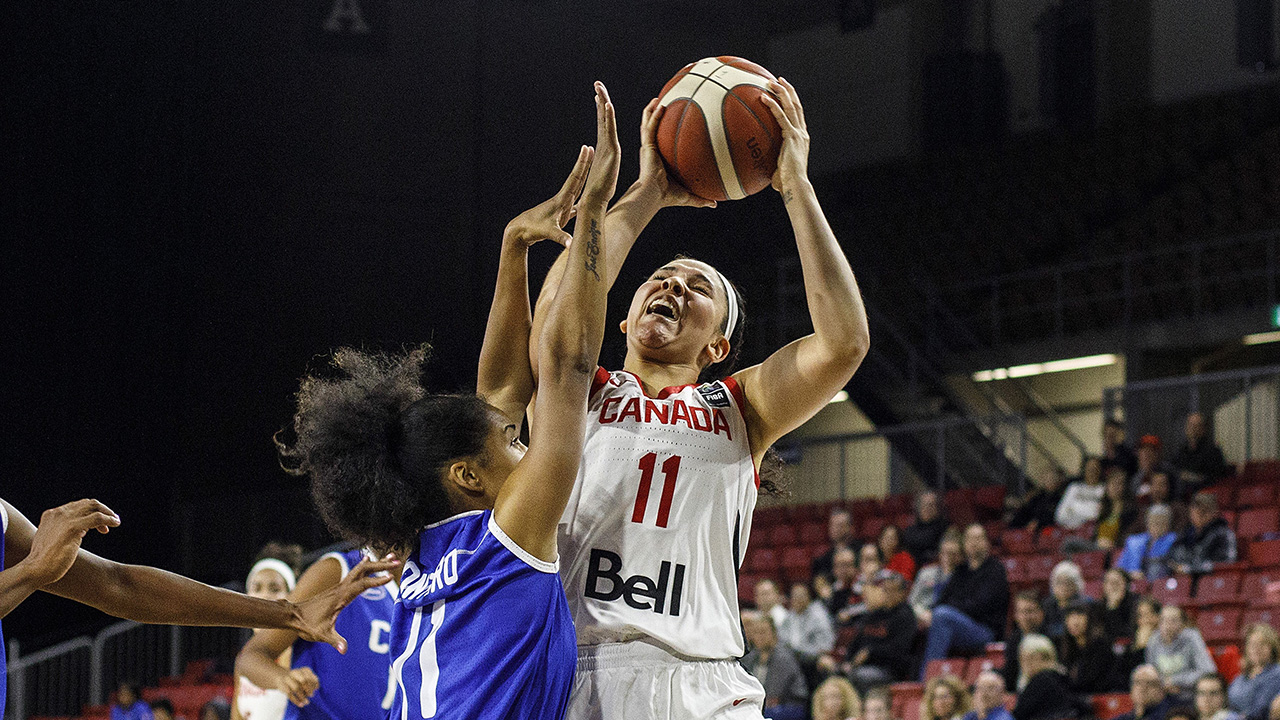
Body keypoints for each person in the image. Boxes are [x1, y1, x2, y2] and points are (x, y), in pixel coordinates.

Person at [527, 76, 869, 719]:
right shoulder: (578, 391)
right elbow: (555, 324)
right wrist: (648, 192)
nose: (676, 288)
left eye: (698, 289)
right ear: (623, 319)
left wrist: (796, 188)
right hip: (581, 672)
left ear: (718, 345)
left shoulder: (742, 409)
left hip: (704, 680)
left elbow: (845, 343)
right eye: (662, 278)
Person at [277, 82, 620, 719]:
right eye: (512, 444)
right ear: (466, 475)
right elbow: (568, 369)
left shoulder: (420, 554)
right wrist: (595, 213)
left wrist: (514, 249)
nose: (523, 444)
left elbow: (496, 395)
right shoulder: (505, 540)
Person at [0, 499, 392, 719]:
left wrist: (290, 614)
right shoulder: (336, 571)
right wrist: (33, 572)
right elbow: (250, 663)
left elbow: (119, 584)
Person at [235, 548, 400, 717]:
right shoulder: (339, 569)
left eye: (274, 589)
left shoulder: (418, 585)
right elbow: (252, 654)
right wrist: (282, 678)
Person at [919, 524, 1009, 678]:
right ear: (964, 544)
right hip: (957, 626)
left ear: (987, 543)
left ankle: (927, 680)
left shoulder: (995, 570)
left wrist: (942, 611)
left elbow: (978, 606)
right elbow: (943, 599)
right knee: (926, 620)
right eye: (969, 539)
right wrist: (928, 613)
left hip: (985, 630)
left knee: (941, 616)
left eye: (978, 538)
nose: (973, 543)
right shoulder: (961, 570)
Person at [233, 544, 302, 720]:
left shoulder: (304, 653)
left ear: (291, 596)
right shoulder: (243, 659)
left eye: (274, 589)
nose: (264, 597)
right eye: (257, 588)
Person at [820, 569, 917, 692]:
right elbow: (856, 641)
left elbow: (899, 650)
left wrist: (871, 653)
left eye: (892, 591)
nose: (888, 594)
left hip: (889, 671)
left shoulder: (905, 616)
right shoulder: (874, 614)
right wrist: (847, 662)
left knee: (857, 676)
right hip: (862, 666)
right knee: (831, 673)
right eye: (885, 590)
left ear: (903, 594)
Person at [742, 612, 809, 720]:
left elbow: (774, 695)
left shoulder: (783, 657)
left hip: (789, 708)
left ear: (774, 633)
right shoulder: (750, 658)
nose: (759, 637)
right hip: (764, 706)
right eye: (756, 632)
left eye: (763, 632)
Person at [1012, 634, 1085, 720]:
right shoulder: (1062, 676)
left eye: (1029, 658)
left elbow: (1019, 714)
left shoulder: (1042, 680)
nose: (1024, 664)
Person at [1147, 605, 1215, 695]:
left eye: (1173, 620)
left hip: (1190, 694)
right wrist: (1165, 684)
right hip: (1163, 694)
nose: (1167, 625)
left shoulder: (1192, 638)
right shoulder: (1153, 640)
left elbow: (1208, 671)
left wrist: (1175, 681)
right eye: (1163, 620)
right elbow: (1150, 673)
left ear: (1182, 624)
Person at [779, 581, 835, 686]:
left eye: (801, 595)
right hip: (790, 658)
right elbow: (781, 640)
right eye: (794, 596)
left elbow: (824, 646)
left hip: (811, 660)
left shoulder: (818, 615)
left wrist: (798, 651)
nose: (797, 599)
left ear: (809, 597)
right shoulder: (789, 617)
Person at [1166, 493, 1237, 577]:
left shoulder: (1224, 534)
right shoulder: (1186, 534)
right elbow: (1172, 557)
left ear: (1214, 513)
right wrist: (1175, 566)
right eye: (1195, 512)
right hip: (1184, 582)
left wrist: (1189, 569)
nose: (1198, 516)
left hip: (1212, 583)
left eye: (1203, 512)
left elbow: (1225, 565)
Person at [1058, 601, 1116, 693]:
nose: (1075, 622)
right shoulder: (1065, 646)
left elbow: (1092, 681)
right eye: (1070, 617)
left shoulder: (1101, 645)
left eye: (1080, 616)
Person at [1170, 413, 1229, 499]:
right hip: (1181, 494)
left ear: (1204, 429)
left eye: (1197, 426)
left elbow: (1217, 478)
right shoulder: (1181, 451)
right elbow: (1173, 470)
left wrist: (1191, 477)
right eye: (1191, 425)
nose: (1193, 429)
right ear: (1186, 428)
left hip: (1204, 495)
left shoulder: (1213, 451)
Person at [1228, 624, 1280, 720]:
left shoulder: (1277, 673)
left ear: (1272, 647)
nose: (1257, 648)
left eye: (1262, 644)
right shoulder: (1240, 678)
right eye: (1252, 644)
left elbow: (1260, 708)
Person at [911, 530, 962, 624]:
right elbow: (912, 601)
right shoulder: (926, 573)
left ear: (960, 556)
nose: (947, 558)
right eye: (944, 553)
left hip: (945, 619)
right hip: (921, 615)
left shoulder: (963, 578)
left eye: (952, 554)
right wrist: (922, 614)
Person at [1117, 505, 1179, 581]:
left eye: (1161, 522)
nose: (1157, 526)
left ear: (1168, 524)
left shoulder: (1173, 540)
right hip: (1131, 581)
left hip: (1159, 583)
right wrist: (1130, 574)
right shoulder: (1133, 541)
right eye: (1153, 521)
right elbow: (1119, 569)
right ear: (1147, 523)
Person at [1005, 591, 1047, 692]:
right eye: (1021, 612)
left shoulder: (1051, 638)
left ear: (1041, 613)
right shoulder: (1014, 640)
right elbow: (1010, 673)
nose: (1025, 617)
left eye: (1029, 611)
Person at [1096, 466, 1140, 550]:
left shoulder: (1130, 511)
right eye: (1112, 483)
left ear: (1125, 487)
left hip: (1114, 549)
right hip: (1096, 547)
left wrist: (1114, 544)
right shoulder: (1104, 508)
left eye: (1118, 483)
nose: (1114, 487)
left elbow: (1129, 537)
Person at [1056, 457, 1107, 530]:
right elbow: (1060, 515)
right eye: (1090, 469)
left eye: (1096, 468)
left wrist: (1074, 511)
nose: (1093, 472)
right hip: (1068, 529)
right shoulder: (1074, 487)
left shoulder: (1104, 489)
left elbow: (1097, 515)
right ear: (1084, 470)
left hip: (1092, 530)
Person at [1042, 561, 1088, 638]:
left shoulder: (1085, 604)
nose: (1063, 587)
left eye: (1068, 582)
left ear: (1076, 585)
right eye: (1059, 582)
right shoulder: (1047, 604)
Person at [903, 491, 950, 566]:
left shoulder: (945, 528)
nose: (927, 508)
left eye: (931, 505)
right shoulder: (910, 530)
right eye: (923, 505)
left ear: (938, 508)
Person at [813, 508, 858, 583]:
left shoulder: (861, 551)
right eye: (832, 525)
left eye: (840, 525)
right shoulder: (822, 560)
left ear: (850, 528)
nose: (835, 529)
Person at [1101, 567, 1138, 642]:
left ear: (1127, 585)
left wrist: (1114, 608)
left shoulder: (1136, 604)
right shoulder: (1099, 606)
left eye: (1116, 582)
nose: (1113, 587)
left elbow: (1126, 636)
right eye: (1109, 582)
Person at [824, 547, 862, 620]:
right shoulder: (833, 590)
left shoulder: (864, 585)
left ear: (856, 567)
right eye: (838, 565)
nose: (843, 570)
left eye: (846, 565)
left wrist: (850, 613)